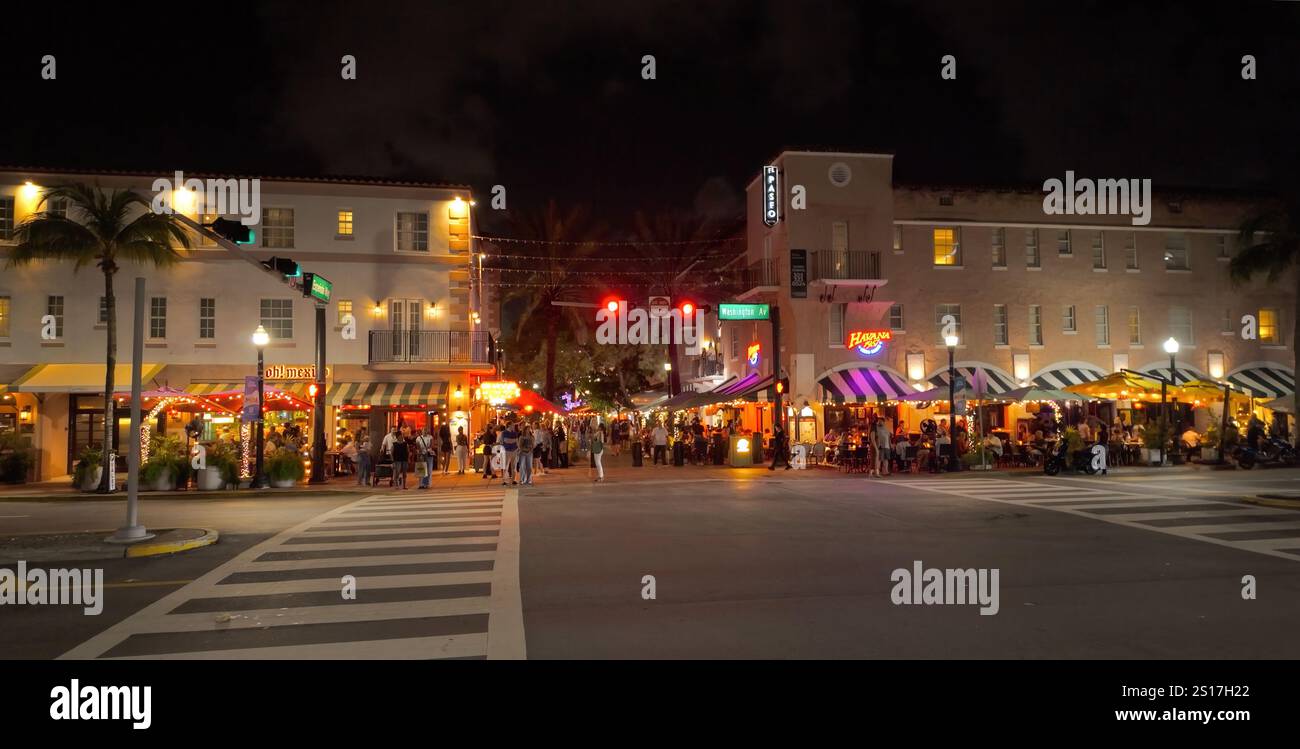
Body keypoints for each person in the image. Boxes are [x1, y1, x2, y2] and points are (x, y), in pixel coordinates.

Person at [500, 420, 520, 485]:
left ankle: (514, 479)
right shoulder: (504, 432)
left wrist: (518, 447)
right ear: (509, 425)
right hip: (507, 450)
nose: (514, 426)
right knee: (506, 466)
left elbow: (516, 441)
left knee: (514, 466)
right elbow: (506, 441)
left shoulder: (515, 433)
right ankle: (504, 480)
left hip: (514, 450)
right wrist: (513, 440)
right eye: (512, 425)